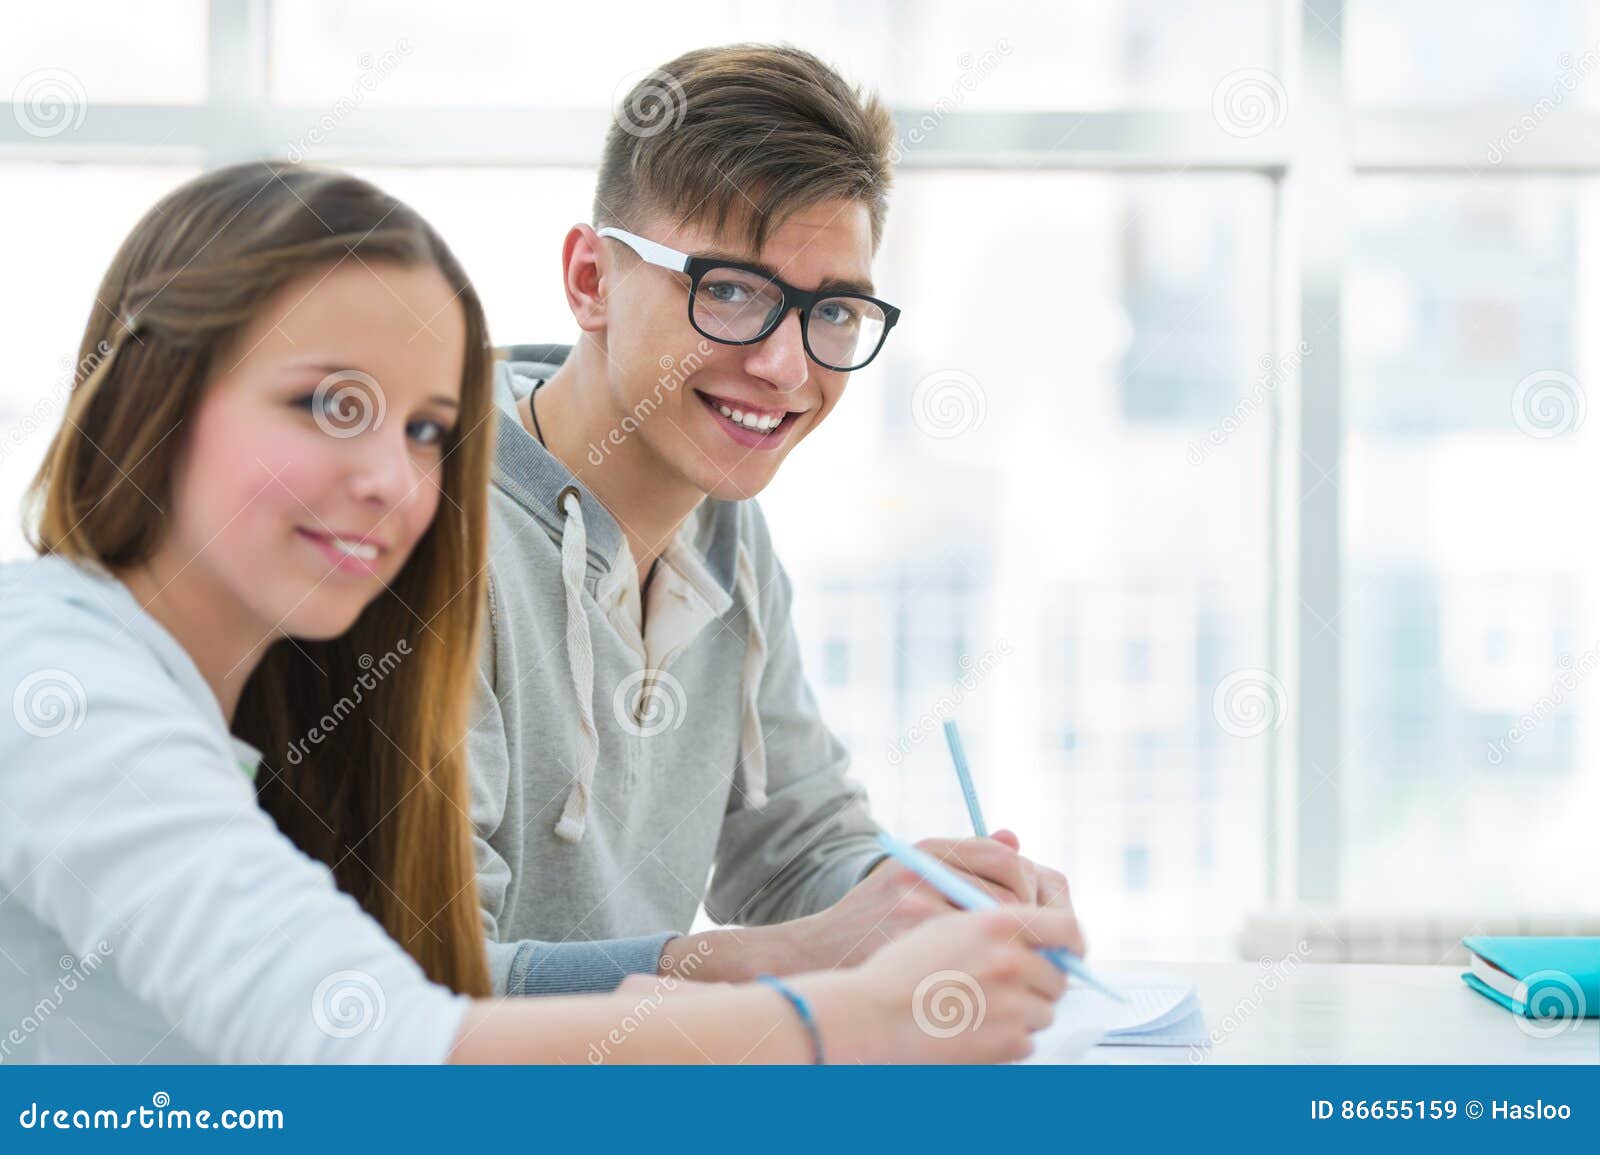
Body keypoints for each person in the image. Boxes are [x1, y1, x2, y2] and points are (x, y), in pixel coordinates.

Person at [0, 162, 1077, 1064]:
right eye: (331, 405)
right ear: (156, 392)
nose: (392, 479)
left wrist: (894, 914)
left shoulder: (228, 699)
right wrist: (838, 1017)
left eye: (429, 431)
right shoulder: (56, 678)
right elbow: (377, 1049)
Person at [467, 43, 1085, 995]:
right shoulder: (420, 537)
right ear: (592, 279)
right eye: (731, 292)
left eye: (833, 309)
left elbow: (794, 849)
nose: (787, 368)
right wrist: (770, 961)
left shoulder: (726, 531)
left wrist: (914, 901)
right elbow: (415, 987)